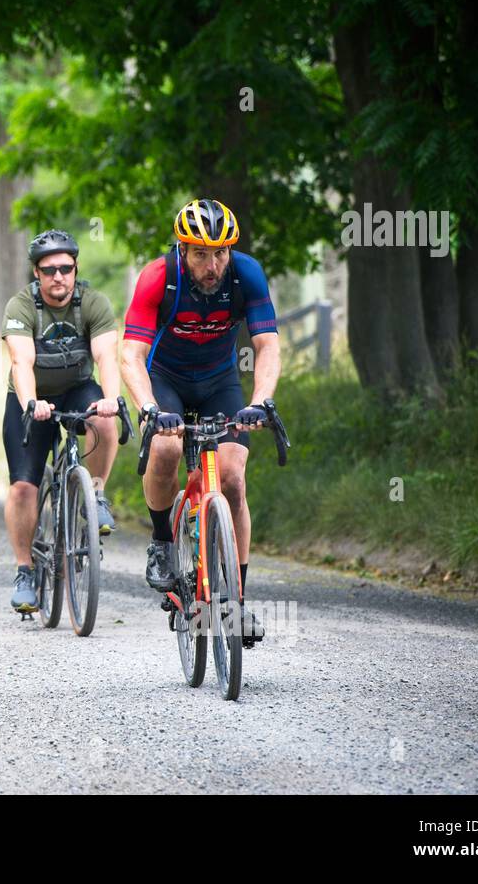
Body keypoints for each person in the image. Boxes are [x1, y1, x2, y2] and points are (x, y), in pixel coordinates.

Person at [120, 199, 281, 646]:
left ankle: (238, 603)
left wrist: (261, 401)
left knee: (232, 478)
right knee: (167, 449)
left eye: (221, 253)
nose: (213, 265)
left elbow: (266, 346)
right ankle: (162, 544)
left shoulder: (245, 274)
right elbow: (131, 354)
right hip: (165, 380)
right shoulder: (158, 277)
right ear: (182, 250)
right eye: (201, 254)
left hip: (219, 382)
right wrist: (150, 408)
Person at [2, 229, 123, 613]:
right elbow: (21, 362)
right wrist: (31, 402)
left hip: (77, 388)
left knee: (103, 423)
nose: (59, 277)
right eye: (49, 270)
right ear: (36, 274)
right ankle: (24, 570)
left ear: (75, 268)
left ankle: (96, 494)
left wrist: (110, 400)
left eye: (66, 268)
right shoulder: (21, 306)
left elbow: (106, 356)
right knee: (24, 488)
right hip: (32, 397)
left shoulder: (94, 302)